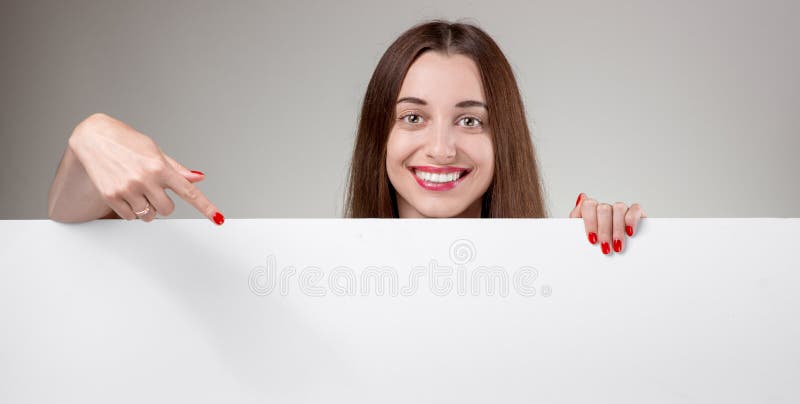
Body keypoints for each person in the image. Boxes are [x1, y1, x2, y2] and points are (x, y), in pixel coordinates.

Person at [48, 19, 646, 255]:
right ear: (377, 138)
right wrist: (90, 137)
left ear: (504, 138)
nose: (441, 147)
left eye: (471, 120)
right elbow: (67, 234)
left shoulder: (559, 277)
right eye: (412, 117)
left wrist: (589, 261)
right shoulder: (314, 280)